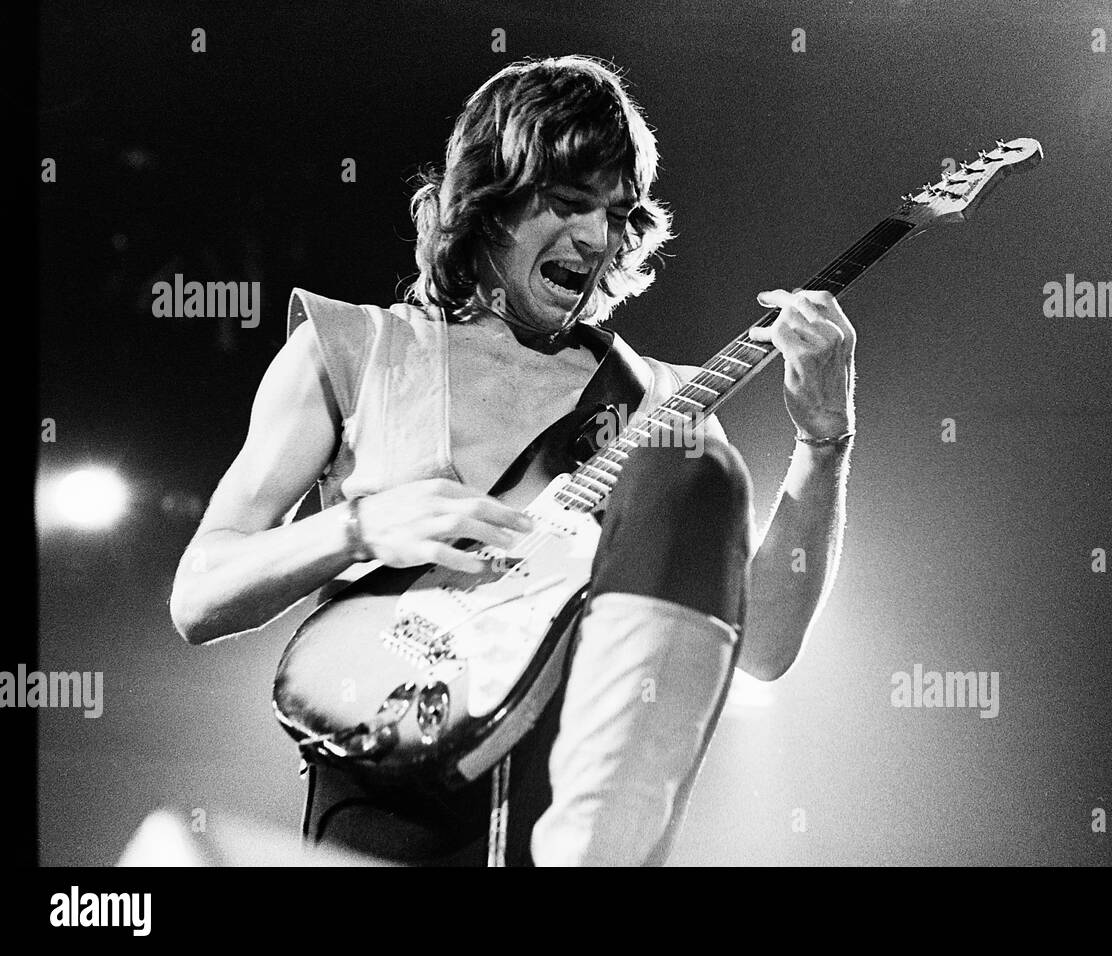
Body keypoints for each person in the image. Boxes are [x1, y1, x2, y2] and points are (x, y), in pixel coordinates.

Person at [169, 54, 857, 866]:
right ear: (489, 202)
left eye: (618, 214)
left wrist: (824, 441)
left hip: (574, 824)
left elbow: (766, 646)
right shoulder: (353, 348)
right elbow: (200, 595)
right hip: (378, 818)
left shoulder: (664, 403)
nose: (596, 238)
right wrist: (357, 528)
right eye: (568, 203)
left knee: (697, 471)